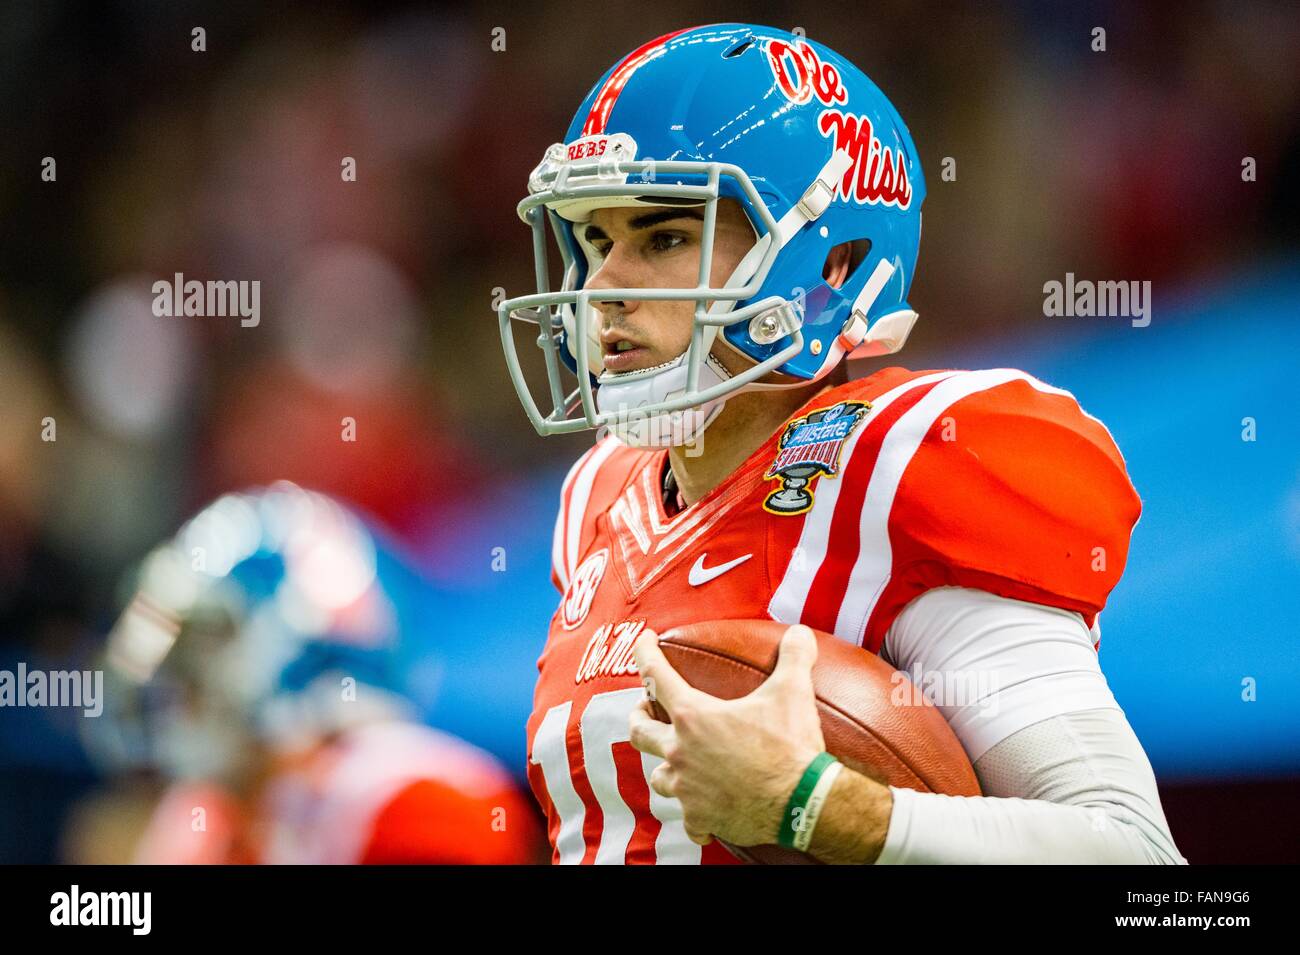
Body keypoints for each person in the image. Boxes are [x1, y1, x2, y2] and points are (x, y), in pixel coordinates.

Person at [497, 24, 1186, 864]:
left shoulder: (897, 467)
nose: (601, 288)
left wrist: (816, 806)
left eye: (664, 236)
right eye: (596, 241)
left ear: (831, 261)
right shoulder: (598, 497)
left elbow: (1137, 858)